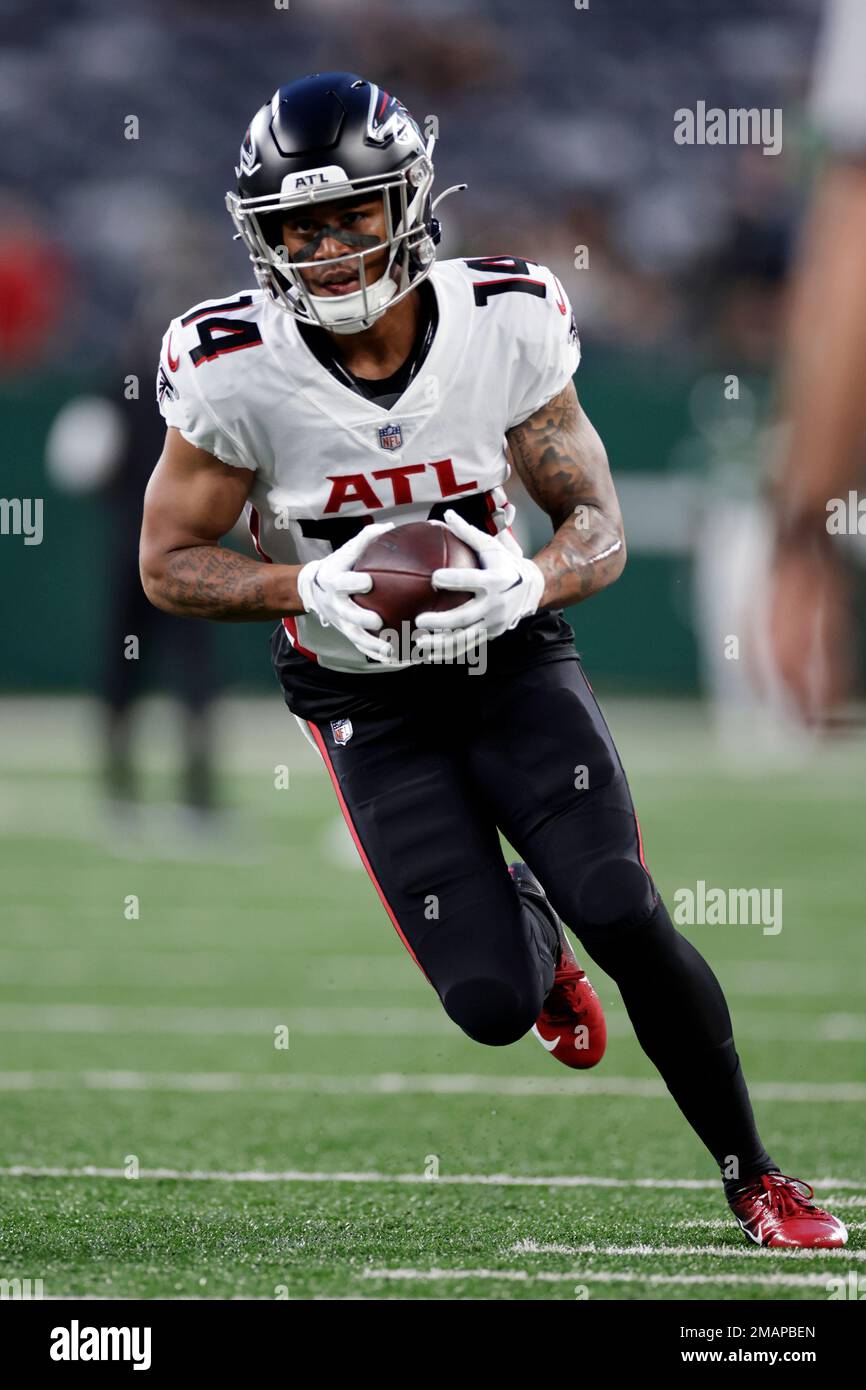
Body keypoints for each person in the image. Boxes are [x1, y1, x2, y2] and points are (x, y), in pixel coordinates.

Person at [139, 71, 845, 1248]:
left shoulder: (505, 318)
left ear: (408, 206)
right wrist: (301, 583)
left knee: (621, 907)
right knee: (487, 1005)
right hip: (358, 691)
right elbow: (168, 560)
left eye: (349, 216)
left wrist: (528, 577)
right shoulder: (231, 365)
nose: (323, 249)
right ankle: (527, 934)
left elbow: (598, 525)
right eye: (295, 227)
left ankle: (754, 1174)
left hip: (508, 657)